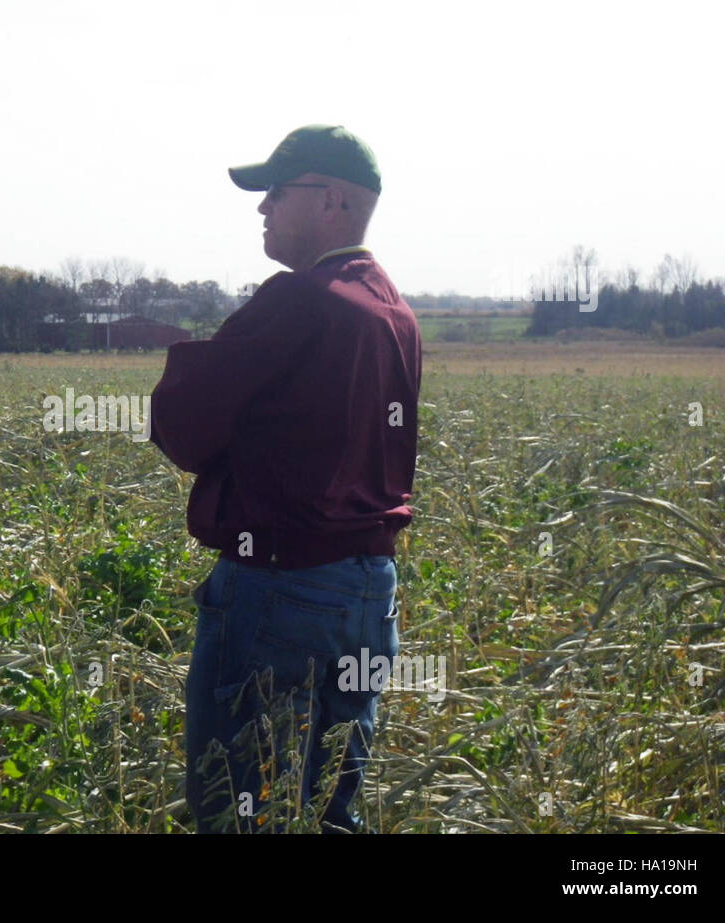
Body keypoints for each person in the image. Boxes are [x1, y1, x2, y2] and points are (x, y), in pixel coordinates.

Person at [150, 125, 421, 833]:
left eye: (276, 192)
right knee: (330, 808)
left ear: (330, 199)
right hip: (369, 593)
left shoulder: (301, 299)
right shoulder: (392, 308)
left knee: (243, 807)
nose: (262, 208)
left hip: (280, 590)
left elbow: (180, 422)